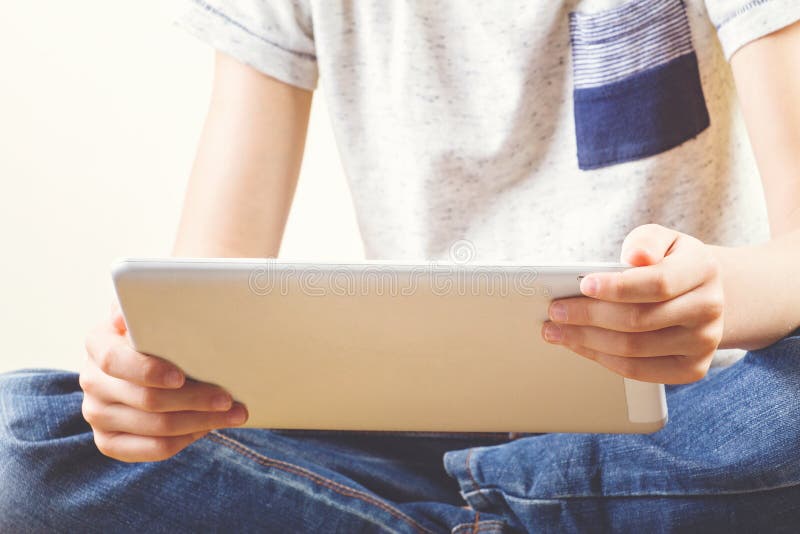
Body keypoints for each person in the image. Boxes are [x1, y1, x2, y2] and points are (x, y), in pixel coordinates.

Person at [2, 0, 799, 531]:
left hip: (693, 416)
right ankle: (515, 509)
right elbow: (199, 311)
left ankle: (434, 511)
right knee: (25, 435)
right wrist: (148, 389)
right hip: (419, 437)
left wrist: (713, 298)